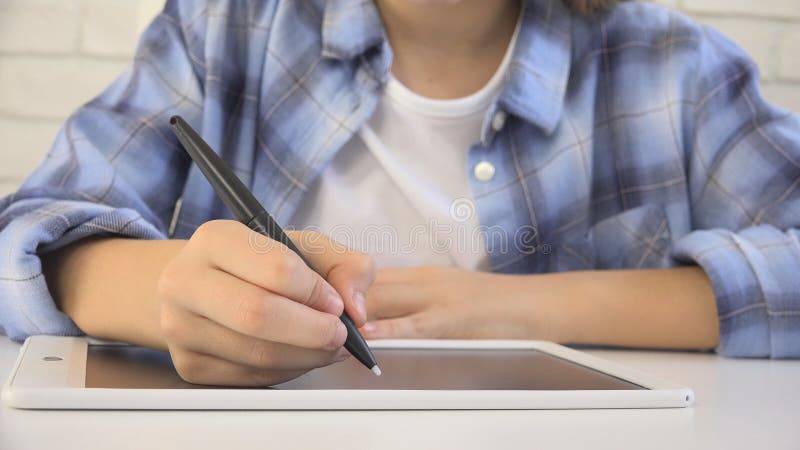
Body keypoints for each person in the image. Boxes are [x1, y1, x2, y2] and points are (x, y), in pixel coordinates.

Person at [0, 0, 798, 386]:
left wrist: (516, 309)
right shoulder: (225, 28)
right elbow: (28, 236)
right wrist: (161, 289)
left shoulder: (679, 69)